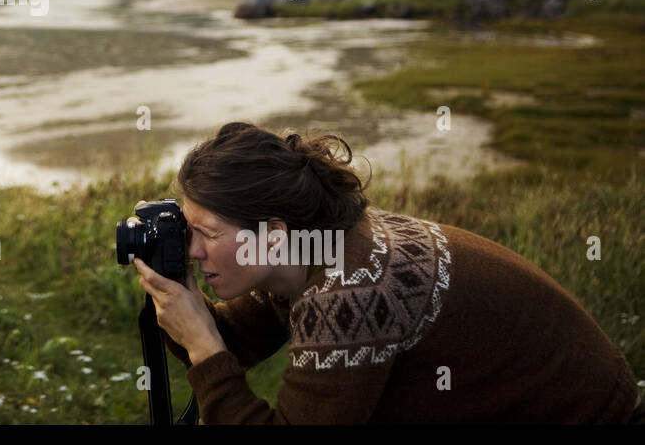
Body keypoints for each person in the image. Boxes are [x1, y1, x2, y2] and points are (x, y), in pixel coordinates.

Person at [132, 121, 645, 424]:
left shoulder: (349, 290)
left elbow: (217, 356)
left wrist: (202, 345)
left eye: (206, 233)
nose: (193, 249)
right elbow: (234, 343)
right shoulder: (317, 246)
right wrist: (182, 295)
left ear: (274, 232)